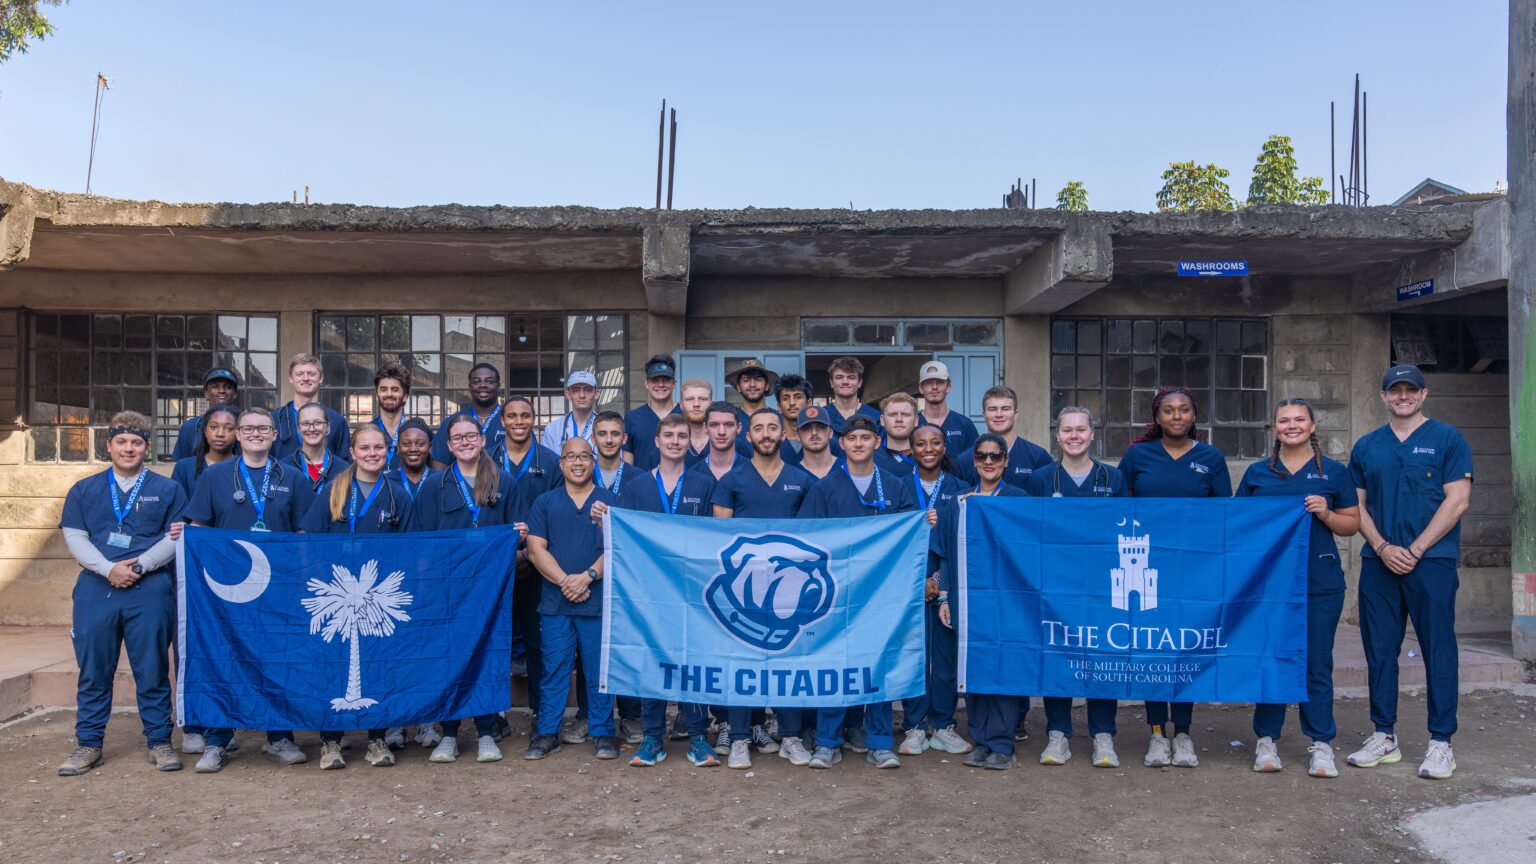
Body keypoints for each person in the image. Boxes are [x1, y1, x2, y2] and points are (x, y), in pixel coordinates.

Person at [1345, 364, 1472, 780]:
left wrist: (1415, 549)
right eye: (1394, 390)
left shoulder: (1448, 439)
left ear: (1423, 394)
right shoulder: (1368, 446)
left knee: (1438, 648)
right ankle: (1384, 735)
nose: (1403, 396)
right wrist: (1381, 547)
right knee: (1380, 650)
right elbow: (1355, 505)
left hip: (1431, 563)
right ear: (1383, 396)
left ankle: (1441, 743)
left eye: (1410, 390)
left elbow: (1457, 501)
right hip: (1379, 563)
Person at [180, 406, 314, 773]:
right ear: (238, 435)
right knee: (223, 660)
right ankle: (216, 741)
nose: (256, 433)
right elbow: (199, 528)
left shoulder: (293, 478)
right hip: (224, 593)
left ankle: (280, 738)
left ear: (274, 435)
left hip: (278, 593)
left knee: (276, 661)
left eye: (264, 428)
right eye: (248, 428)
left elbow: (304, 536)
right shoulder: (214, 477)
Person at [56, 411, 187, 776]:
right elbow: (74, 536)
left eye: (136, 442)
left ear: (147, 447)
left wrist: (140, 566)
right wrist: (108, 569)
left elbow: (175, 538)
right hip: (97, 589)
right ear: (109, 445)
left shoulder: (167, 490)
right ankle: (88, 743)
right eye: (122, 442)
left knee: (152, 668)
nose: (129, 448)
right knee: (94, 668)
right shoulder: (85, 490)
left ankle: (160, 742)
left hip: (150, 589)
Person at [1236, 398, 1360, 778]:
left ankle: (1321, 742)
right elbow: (1238, 525)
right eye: (1284, 420)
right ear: (1274, 428)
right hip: (1268, 584)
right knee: (1270, 657)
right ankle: (1266, 739)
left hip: (1318, 581)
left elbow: (1351, 524)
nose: (1292, 426)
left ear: (1313, 425)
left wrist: (1325, 512)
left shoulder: (1334, 473)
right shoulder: (1259, 474)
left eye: (1299, 420)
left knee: (1316, 661)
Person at [1117, 386, 1231, 769]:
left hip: (1194, 572)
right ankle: (1155, 733)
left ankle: (1183, 732)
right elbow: (1119, 510)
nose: (1177, 416)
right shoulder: (1137, 456)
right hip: (1146, 567)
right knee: (1152, 648)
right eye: (1169, 411)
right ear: (1157, 417)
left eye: (1184, 410)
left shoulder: (1211, 458)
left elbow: (1225, 519)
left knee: (1184, 649)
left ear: (1194, 415)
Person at [797, 414, 917, 770]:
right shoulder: (825, 487)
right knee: (835, 666)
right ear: (842, 443)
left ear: (877, 442)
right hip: (837, 595)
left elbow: (911, 535)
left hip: (882, 593)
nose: (860, 443)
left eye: (867, 437)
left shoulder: (895, 486)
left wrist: (923, 523)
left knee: (877, 665)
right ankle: (827, 742)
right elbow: (809, 541)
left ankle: (880, 743)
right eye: (853, 438)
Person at [299, 425, 416, 770]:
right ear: (352, 451)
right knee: (331, 664)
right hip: (337, 596)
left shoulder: (398, 495)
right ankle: (330, 741)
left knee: (378, 664)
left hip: (376, 597)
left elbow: (412, 548)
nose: (372, 454)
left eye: (378, 448)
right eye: (364, 448)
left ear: (387, 451)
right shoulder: (333, 491)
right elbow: (307, 539)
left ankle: (377, 739)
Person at [609, 412, 721, 768]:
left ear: (690, 442)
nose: (674, 441)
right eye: (668, 435)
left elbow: (715, 540)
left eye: (681, 436)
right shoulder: (637, 487)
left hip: (692, 592)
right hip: (648, 592)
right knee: (652, 661)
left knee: (692, 662)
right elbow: (621, 538)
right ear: (656, 442)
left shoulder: (703, 485)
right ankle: (653, 737)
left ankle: (699, 737)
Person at [408, 415, 521, 765]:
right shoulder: (434, 485)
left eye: (471, 435)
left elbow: (518, 537)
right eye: (458, 438)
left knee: (488, 655)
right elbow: (421, 542)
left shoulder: (505, 481)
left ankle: (487, 731)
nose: (465, 442)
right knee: (450, 659)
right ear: (449, 445)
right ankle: (451, 734)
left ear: (483, 439)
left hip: (490, 589)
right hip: (447, 590)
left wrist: (519, 534)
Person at [711, 409, 818, 769]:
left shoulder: (801, 480)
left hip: (789, 589)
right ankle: (740, 738)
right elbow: (717, 538)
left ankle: (790, 736)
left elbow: (813, 538)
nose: (766, 433)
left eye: (773, 427)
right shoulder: (732, 479)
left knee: (788, 662)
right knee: (743, 662)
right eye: (759, 428)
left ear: (782, 435)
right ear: (748, 435)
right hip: (745, 589)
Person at [1024, 407, 1128, 768]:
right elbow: (1026, 530)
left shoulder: (1112, 478)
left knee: (1103, 656)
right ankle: (1058, 734)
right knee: (1059, 655)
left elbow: (1126, 526)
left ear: (1092, 434)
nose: (1074, 436)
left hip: (1103, 585)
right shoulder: (1041, 479)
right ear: (1057, 435)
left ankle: (1103, 735)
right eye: (1067, 430)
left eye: (1080, 430)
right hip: (1056, 585)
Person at [933, 433, 1028, 769]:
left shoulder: (1019, 499)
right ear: (973, 460)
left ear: (1005, 460)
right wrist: (944, 597)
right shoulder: (958, 502)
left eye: (996, 456)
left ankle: (1002, 744)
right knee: (972, 669)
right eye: (982, 456)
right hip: (965, 598)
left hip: (1006, 601)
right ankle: (980, 740)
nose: (989, 462)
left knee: (1001, 667)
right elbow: (944, 554)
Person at [523, 438, 619, 761]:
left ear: (593, 462)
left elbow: (619, 547)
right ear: (561, 464)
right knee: (554, 669)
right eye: (571, 457)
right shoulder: (545, 503)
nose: (578, 462)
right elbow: (536, 550)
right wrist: (566, 581)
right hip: (556, 603)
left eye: (584, 456)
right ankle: (547, 732)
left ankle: (603, 733)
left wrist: (589, 576)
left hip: (598, 603)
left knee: (599, 671)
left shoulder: (609, 502)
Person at [894, 424, 971, 758]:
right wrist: (917, 581)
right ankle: (913, 725)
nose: (928, 448)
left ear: (944, 447)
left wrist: (939, 581)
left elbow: (965, 540)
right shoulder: (898, 488)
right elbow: (890, 540)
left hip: (946, 586)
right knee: (912, 655)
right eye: (920, 443)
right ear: (910, 449)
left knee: (944, 657)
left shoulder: (961, 489)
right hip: (906, 584)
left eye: (935, 442)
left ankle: (943, 725)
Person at [491, 397, 564, 740]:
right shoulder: (486, 459)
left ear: (534, 420)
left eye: (525, 415)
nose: (519, 421)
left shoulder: (550, 462)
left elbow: (556, 512)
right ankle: (493, 714)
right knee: (495, 641)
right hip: (495, 568)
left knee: (538, 644)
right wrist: (509, 555)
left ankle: (540, 713)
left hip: (538, 565)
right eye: (512, 416)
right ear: (502, 421)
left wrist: (528, 555)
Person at [588, 410, 644, 743]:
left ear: (624, 439)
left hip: (629, 574)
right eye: (602, 434)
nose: (608, 440)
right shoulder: (578, 473)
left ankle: (632, 716)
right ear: (594, 438)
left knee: (628, 644)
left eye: (614, 434)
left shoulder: (639, 478)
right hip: (590, 571)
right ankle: (588, 714)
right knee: (591, 650)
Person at [954, 386, 1052, 490]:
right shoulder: (965, 460)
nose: (999, 414)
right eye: (992, 409)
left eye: (1005, 409)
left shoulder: (1038, 457)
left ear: (1015, 414)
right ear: (984, 415)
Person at [273, 353, 349, 461]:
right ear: (290, 378)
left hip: (326, 478)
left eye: (311, 374)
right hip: (285, 477)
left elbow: (344, 464)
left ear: (321, 378)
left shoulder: (337, 421)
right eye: (299, 374)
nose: (305, 378)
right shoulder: (275, 419)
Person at [431, 363, 504, 469]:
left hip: (503, 484)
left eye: (489, 381)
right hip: (460, 484)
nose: (482, 385)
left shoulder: (512, 420)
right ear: (470, 387)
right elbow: (439, 466)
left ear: (498, 386)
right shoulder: (452, 422)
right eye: (476, 381)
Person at [170, 367, 240, 461]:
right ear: (206, 393)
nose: (222, 390)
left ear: (235, 393)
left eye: (228, 387)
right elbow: (182, 465)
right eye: (215, 386)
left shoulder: (246, 426)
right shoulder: (190, 427)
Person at [624, 354, 680, 471]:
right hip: (642, 487)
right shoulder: (632, 418)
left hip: (682, 487)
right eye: (654, 380)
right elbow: (627, 464)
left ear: (674, 383)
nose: (660, 384)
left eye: (665, 379)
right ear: (646, 383)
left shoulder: (685, 415)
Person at [171, 404, 240, 498]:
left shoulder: (243, 467)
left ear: (238, 433)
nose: (220, 434)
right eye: (213, 427)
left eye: (229, 429)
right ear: (204, 430)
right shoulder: (184, 467)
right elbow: (178, 507)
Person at [916, 360, 978, 454]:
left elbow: (974, 461)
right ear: (921, 388)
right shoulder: (912, 423)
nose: (935, 387)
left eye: (940, 382)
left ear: (948, 387)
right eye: (929, 382)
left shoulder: (964, 424)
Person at [288, 402, 350, 491]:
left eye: (318, 423)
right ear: (298, 428)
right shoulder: (285, 468)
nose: (312, 429)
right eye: (305, 423)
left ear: (328, 427)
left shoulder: (344, 470)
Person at [371, 362, 421, 469]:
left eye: (395, 389)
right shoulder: (369, 431)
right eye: (383, 389)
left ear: (405, 396)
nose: (389, 394)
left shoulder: (417, 431)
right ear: (377, 395)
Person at [539, 369, 601, 454]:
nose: (582, 395)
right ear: (568, 394)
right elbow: (547, 464)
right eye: (576, 390)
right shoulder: (553, 429)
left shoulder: (607, 428)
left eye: (588, 390)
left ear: (596, 394)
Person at [688, 401, 747, 481]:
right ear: (705, 428)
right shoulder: (692, 475)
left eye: (728, 425)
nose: (721, 432)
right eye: (714, 425)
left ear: (739, 428)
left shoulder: (752, 472)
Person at [822, 356, 881, 434]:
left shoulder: (875, 416)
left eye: (851, 377)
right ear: (831, 383)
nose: (845, 382)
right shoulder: (822, 415)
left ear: (860, 382)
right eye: (839, 377)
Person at [876, 392, 920, 475]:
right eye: (892, 414)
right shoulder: (870, 460)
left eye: (905, 414)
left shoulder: (927, 457)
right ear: (882, 420)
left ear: (916, 420)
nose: (899, 419)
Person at [774, 373, 813, 463]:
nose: (792, 403)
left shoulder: (821, 439)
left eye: (798, 397)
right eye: (785, 398)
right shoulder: (772, 441)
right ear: (779, 406)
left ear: (809, 403)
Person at [725, 358, 778, 424]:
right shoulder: (730, 419)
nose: (752, 384)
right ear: (738, 387)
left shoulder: (778, 419)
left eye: (758, 379)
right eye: (746, 380)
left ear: (767, 386)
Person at [794, 405, 839, 480]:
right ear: (798, 436)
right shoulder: (792, 475)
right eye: (807, 428)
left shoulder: (848, 469)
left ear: (831, 433)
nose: (814, 433)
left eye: (821, 427)